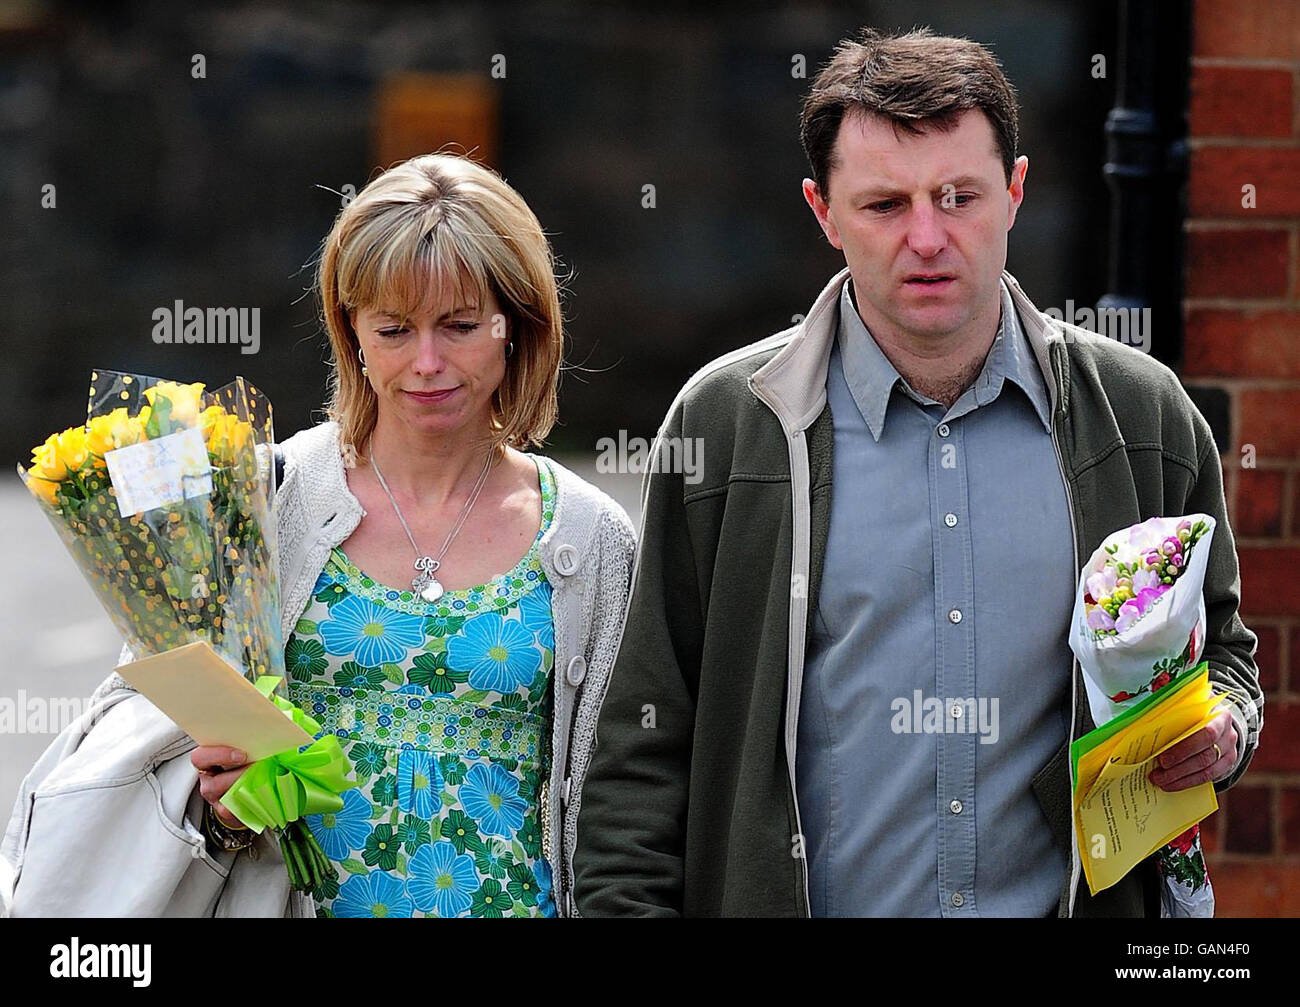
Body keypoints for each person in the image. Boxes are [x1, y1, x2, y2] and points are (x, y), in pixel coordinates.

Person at [572, 27, 1263, 917]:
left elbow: (1226, 655)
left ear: (1015, 190)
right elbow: (641, 750)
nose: (928, 237)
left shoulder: (1140, 416)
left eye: (957, 196)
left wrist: (1223, 730)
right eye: (885, 205)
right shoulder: (728, 427)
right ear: (823, 213)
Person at [2, 152, 635, 918]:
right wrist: (224, 809)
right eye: (394, 329)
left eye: (461, 326)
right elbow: (142, 742)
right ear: (352, 332)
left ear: (517, 327)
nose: (427, 362)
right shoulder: (259, 499)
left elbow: (623, 804)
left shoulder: (590, 538)